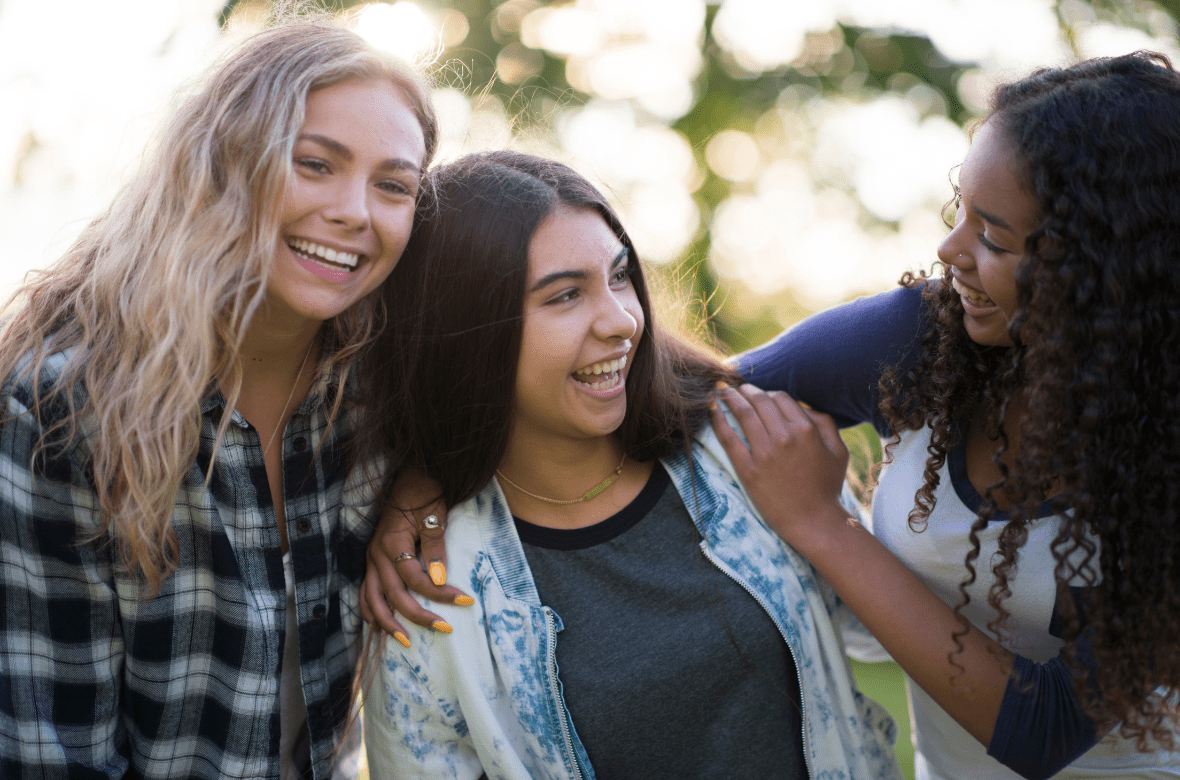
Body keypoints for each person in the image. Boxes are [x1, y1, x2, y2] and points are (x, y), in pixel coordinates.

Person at [357, 150, 902, 779]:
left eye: (620, 277)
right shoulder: (430, 579)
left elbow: (879, 631)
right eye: (564, 296)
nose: (621, 320)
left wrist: (832, 523)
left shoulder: (745, 454)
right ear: (469, 331)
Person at [716, 51, 1180, 780]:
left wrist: (823, 525)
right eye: (960, 212)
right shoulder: (924, 337)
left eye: (993, 238)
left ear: (1101, 279)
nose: (948, 249)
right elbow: (699, 399)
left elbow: (1045, 727)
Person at [0, 21, 436, 779]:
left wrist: (419, 490)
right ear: (225, 163)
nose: (356, 212)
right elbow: (51, 754)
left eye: (392, 185)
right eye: (315, 164)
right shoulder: (61, 412)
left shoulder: (380, 396)